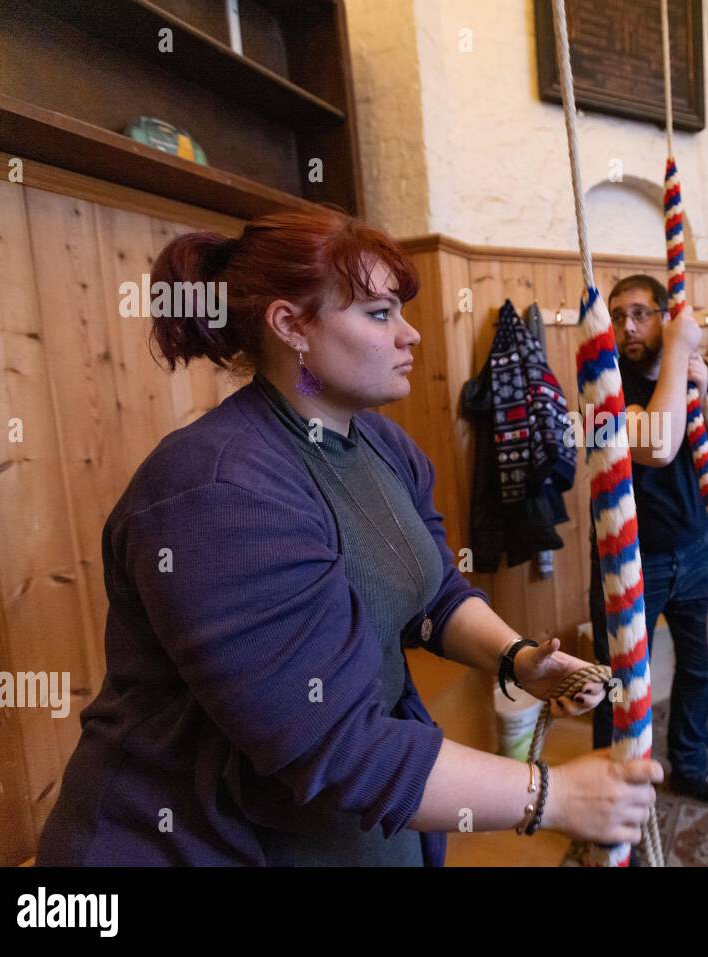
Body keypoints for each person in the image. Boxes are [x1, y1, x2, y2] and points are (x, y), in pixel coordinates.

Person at [37, 207, 661, 866]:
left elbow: (434, 595)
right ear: (290, 326)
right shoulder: (219, 492)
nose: (411, 335)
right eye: (379, 313)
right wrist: (551, 795)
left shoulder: (382, 444)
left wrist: (519, 659)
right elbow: (335, 746)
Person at [587, 275, 708, 812]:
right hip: (628, 560)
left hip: (696, 553)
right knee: (620, 683)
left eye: (640, 313)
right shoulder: (602, 384)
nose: (628, 327)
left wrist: (706, 402)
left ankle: (689, 765)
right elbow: (658, 445)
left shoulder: (700, 377)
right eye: (618, 317)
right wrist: (681, 352)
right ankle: (610, 800)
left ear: (666, 315)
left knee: (702, 665)